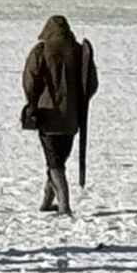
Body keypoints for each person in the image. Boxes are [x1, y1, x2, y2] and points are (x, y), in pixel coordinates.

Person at [22, 15, 98, 216]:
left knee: (54, 162)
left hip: (48, 115)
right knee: (57, 159)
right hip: (73, 117)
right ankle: (47, 202)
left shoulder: (41, 50)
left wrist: (32, 102)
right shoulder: (80, 52)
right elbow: (91, 84)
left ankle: (64, 205)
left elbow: (30, 80)